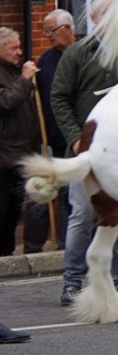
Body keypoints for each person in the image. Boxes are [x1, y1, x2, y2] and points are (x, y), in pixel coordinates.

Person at [51, 38, 118, 305]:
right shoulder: (78, 53)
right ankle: (73, 282)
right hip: (86, 150)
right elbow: (59, 96)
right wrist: (76, 137)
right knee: (83, 215)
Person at [23, 9, 74, 253]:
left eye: (50, 30)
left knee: (76, 195)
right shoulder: (47, 60)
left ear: (67, 29)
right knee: (61, 193)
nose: (47, 36)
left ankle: (73, 242)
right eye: (44, 31)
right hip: (54, 140)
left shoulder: (83, 53)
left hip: (79, 138)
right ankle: (65, 245)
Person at [0, 27, 39, 257]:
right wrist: (25, 80)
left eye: (19, 47)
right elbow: (4, 103)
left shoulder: (13, 72)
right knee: (2, 212)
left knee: (13, 214)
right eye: (13, 47)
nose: (19, 52)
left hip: (20, 155)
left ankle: (6, 256)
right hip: (3, 158)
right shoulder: (14, 75)